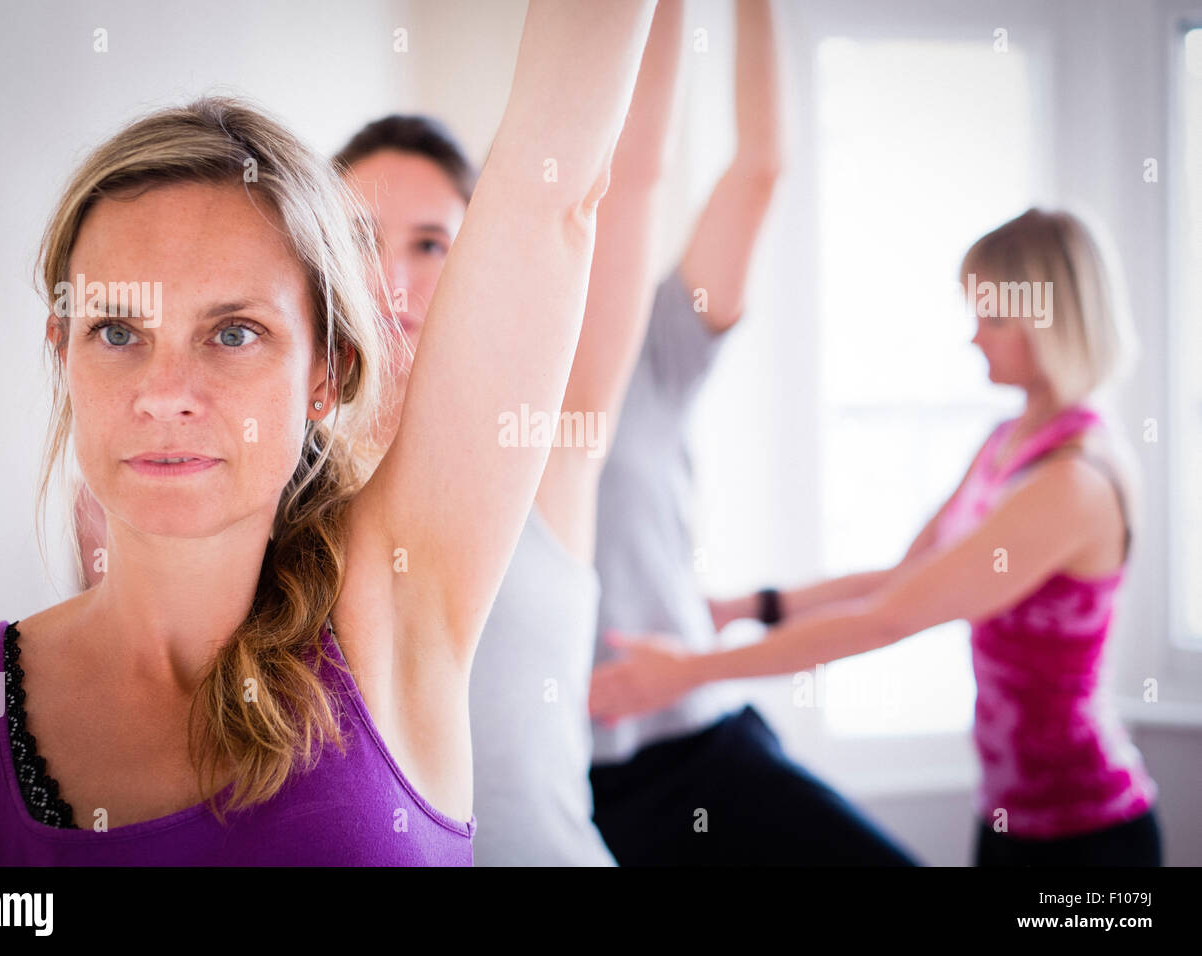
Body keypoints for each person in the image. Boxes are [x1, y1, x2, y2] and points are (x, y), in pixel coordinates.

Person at [0, 0, 660, 866]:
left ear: (326, 372)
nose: (166, 394)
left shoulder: (393, 611)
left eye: (233, 333)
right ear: (63, 353)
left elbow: (554, 193)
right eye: (117, 332)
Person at [590, 207, 1162, 867]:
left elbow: (890, 619)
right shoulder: (1007, 443)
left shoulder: (1075, 482)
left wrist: (690, 671)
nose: (974, 338)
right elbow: (900, 580)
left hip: (1090, 836)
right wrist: (742, 609)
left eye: (995, 319)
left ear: (1053, 325)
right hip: (1009, 820)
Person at [331, 0, 687, 865]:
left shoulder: (550, 442)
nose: (391, 278)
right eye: (360, 239)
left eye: (430, 244)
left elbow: (620, 178)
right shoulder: (275, 484)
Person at [586, 0, 920, 866]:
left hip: (693, 741)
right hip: (551, 784)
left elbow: (759, 165)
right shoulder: (449, 383)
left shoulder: (648, 342)